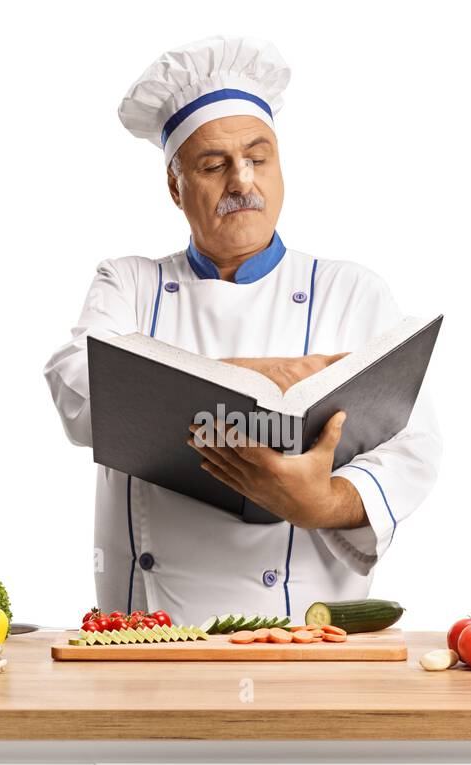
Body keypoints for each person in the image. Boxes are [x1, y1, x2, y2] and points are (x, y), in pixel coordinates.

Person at [44, 36, 441, 624]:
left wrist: (322, 501)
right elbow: (82, 393)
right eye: (213, 165)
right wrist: (264, 375)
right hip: (144, 635)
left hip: (297, 630)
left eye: (259, 158)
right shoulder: (127, 283)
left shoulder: (351, 289)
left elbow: (414, 447)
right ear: (176, 187)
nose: (242, 182)